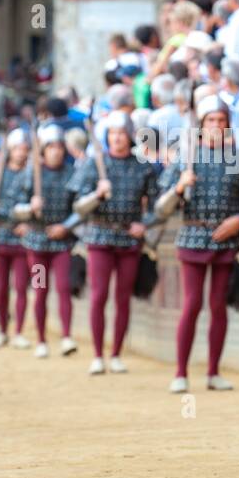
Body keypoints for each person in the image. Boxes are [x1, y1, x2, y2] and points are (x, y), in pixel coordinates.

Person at [153, 95, 239, 392]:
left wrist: (238, 221)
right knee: (191, 305)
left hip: (226, 240)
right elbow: (160, 209)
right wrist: (179, 187)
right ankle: (180, 373)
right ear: (201, 125)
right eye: (210, 120)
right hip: (192, 235)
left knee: (218, 306)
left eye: (221, 120)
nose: (216, 125)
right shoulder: (185, 158)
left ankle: (213, 372)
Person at [67, 112, 160, 374]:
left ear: (129, 135)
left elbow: (156, 207)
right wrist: (97, 194)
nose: (116, 138)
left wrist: (145, 224)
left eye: (121, 133)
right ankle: (97, 354)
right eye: (112, 133)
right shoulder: (94, 164)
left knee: (123, 297)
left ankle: (117, 353)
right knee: (99, 295)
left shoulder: (143, 167)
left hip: (129, 238)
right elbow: (78, 205)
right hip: (99, 235)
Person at [17, 124, 79, 358]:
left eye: (59, 147)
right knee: (41, 289)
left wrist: (67, 226)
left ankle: (66, 336)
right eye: (50, 147)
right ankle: (42, 339)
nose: (55, 151)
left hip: (61, 243)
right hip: (38, 243)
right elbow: (16, 208)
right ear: (43, 150)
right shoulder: (31, 174)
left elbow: (79, 208)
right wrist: (29, 208)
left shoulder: (72, 173)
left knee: (63, 287)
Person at [0, 128, 33, 349]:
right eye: (17, 148)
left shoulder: (33, 174)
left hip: (22, 240)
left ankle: (19, 331)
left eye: (25, 148)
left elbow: (38, 205)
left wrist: (28, 223)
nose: (21, 152)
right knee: (2, 288)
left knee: (21, 287)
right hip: (0, 237)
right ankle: (2, 329)